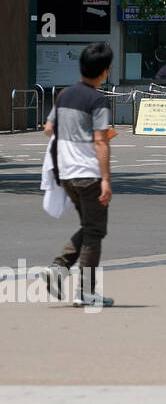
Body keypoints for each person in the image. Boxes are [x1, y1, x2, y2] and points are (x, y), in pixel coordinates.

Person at [40, 42, 115, 307]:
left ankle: (60, 269)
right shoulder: (98, 100)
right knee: (95, 230)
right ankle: (82, 289)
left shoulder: (64, 95)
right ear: (104, 71)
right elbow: (100, 141)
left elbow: (49, 128)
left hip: (65, 173)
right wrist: (106, 179)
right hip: (88, 173)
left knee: (89, 226)